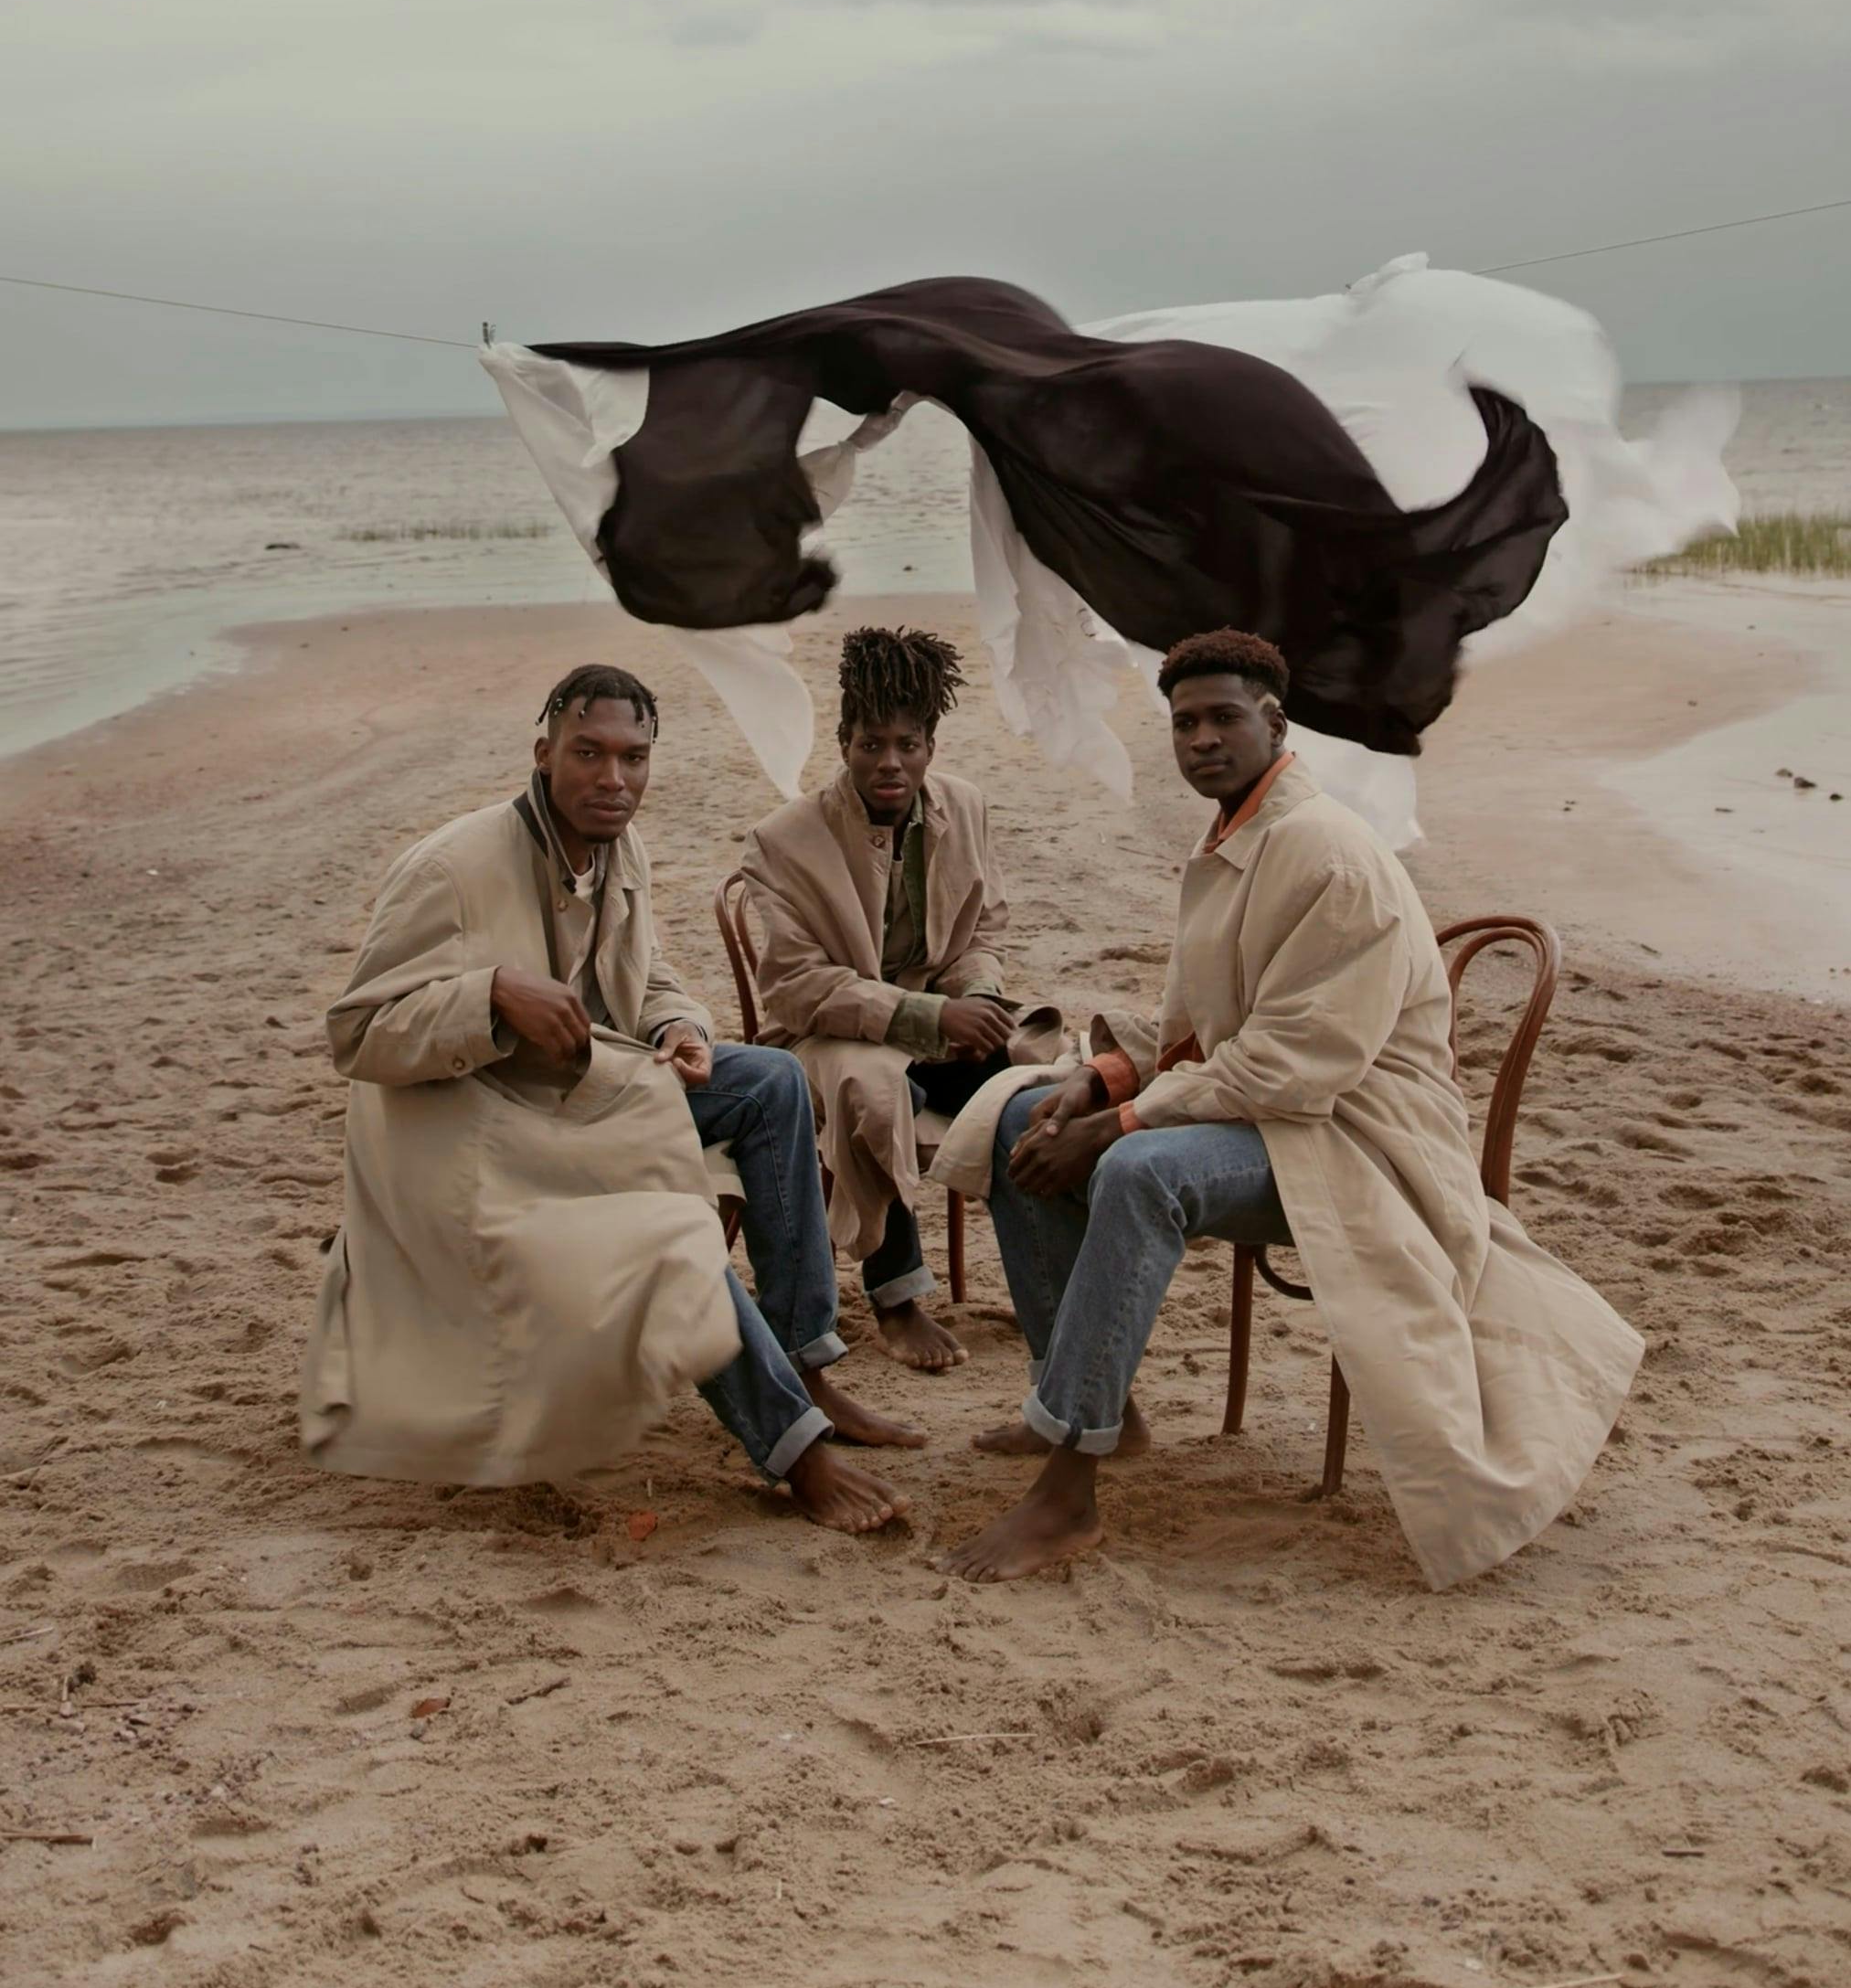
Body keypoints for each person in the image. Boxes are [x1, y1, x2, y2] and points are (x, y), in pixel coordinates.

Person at [948, 628, 1644, 1589]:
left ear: (1274, 722)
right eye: (1184, 722)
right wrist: (1099, 1081)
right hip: (1272, 1118)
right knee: (1025, 1119)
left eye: (1223, 717)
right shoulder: (1238, 831)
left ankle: (1069, 1491)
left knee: (1138, 1172)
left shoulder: (1327, 853)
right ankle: (1089, 1408)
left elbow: (1292, 1065)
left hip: (1355, 1143)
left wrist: (1125, 1124)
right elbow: (1206, 1027)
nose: (1200, 739)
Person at [302, 663, 914, 1533]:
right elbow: (357, 1034)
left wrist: (680, 1030)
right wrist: (490, 995)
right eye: (588, 754)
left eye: (633, 757)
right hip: (483, 1135)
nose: (613, 779)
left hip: (594, 1093)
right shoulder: (452, 866)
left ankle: (802, 1363)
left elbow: (651, 975)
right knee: (665, 1223)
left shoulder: (621, 848)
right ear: (544, 753)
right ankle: (795, 1451)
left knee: (771, 1080)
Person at [742, 626, 1015, 1372]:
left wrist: (980, 998)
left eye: (906, 744)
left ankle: (1037, 1272)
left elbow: (982, 930)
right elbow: (794, 986)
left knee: (1035, 1079)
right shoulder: (782, 838)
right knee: (874, 1083)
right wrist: (924, 1017)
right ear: (841, 742)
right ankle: (895, 1298)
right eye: (870, 745)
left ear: (930, 744)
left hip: (939, 1022)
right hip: (822, 1036)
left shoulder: (965, 808)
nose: (889, 763)